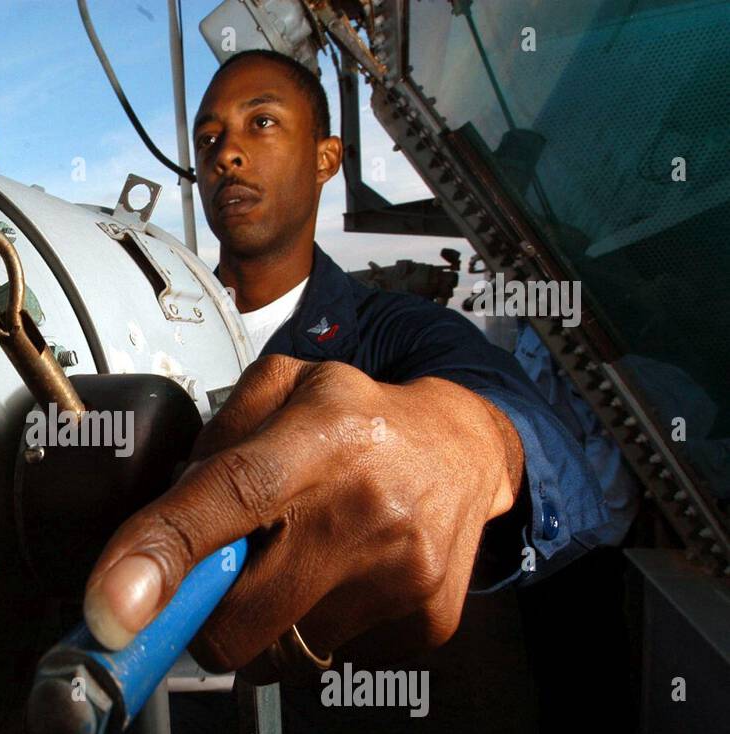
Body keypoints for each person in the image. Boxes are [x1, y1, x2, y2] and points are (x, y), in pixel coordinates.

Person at [82, 49, 616, 683]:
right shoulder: (126, 319)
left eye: (262, 123)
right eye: (209, 137)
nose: (226, 152)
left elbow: (547, 448)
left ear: (325, 159)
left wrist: (469, 448)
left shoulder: (394, 332)